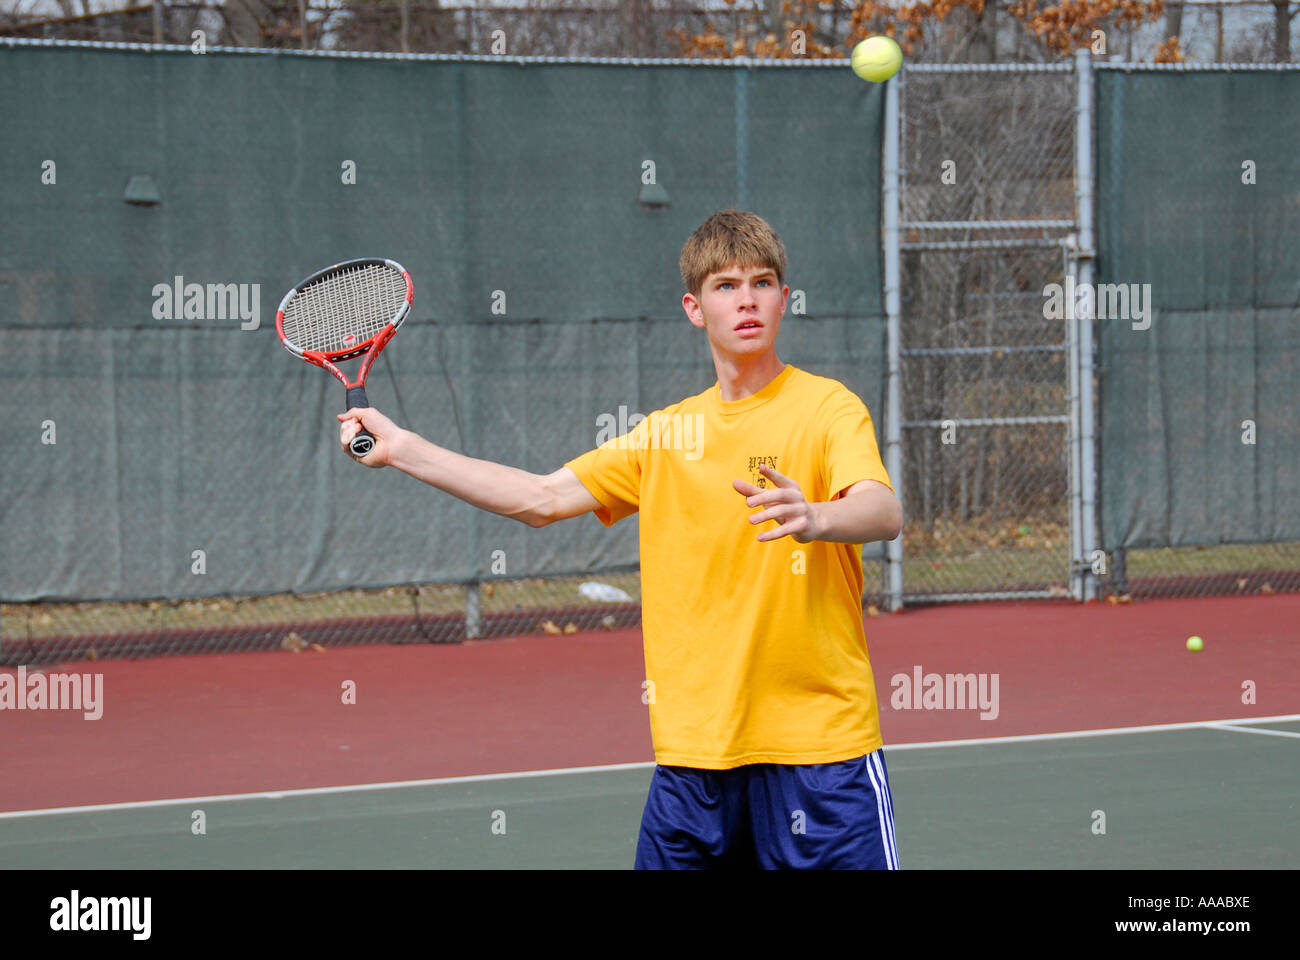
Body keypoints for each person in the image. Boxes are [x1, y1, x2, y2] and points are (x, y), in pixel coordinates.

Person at [338, 209, 903, 869]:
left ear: (784, 298)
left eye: (763, 282)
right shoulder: (666, 435)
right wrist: (402, 447)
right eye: (726, 285)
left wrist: (818, 517)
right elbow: (540, 499)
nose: (746, 298)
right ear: (695, 308)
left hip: (822, 754)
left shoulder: (827, 407)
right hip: (696, 762)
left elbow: (882, 509)